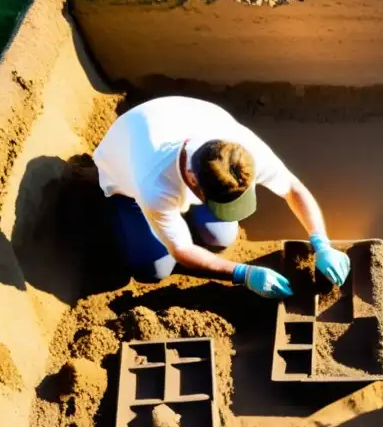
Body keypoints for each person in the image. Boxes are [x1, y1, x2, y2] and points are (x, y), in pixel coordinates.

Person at [93, 95, 350, 297]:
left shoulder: (239, 151)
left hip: (172, 119)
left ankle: (191, 221)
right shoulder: (154, 185)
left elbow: (293, 189)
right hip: (123, 174)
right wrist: (242, 273)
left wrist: (321, 243)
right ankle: (113, 212)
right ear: (194, 182)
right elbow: (181, 249)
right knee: (154, 269)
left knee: (221, 237)